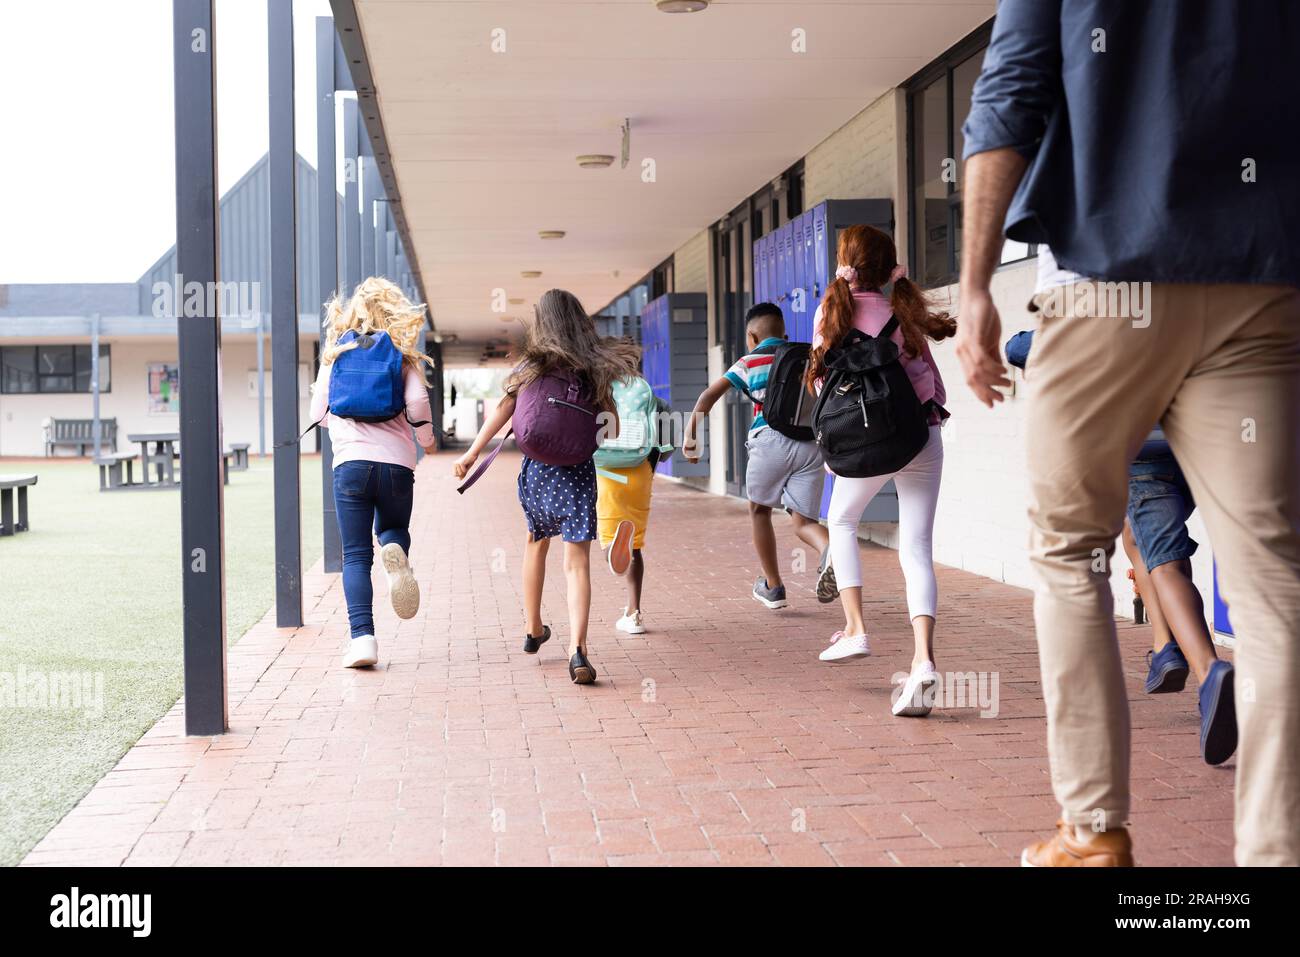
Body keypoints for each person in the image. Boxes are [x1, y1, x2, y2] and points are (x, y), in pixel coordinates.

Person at [956, 0, 1300, 866]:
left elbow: (1009, 95)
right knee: (1271, 581)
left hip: (1110, 277)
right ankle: (1276, 849)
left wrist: (972, 288)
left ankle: (1094, 831)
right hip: (1260, 275)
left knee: (1070, 546)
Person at [1007, 324, 1237, 766]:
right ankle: (1166, 645)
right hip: (1205, 445)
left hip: (1144, 456)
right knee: (1141, 540)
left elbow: (1018, 347)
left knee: (1165, 562)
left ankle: (1209, 671)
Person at [452, 289, 640, 684]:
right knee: (577, 563)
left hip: (538, 473)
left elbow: (504, 410)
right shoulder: (593, 371)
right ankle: (578, 651)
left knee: (535, 543)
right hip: (577, 474)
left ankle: (533, 629)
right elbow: (614, 429)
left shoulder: (530, 367)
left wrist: (471, 454)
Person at [807, 225, 955, 717]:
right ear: (891, 267)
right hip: (920, 436)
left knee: (843, 522)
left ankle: (855, 629)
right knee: (916, 547)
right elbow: (935, 387)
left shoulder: (832, 313)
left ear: (844, 266)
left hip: (865, 440)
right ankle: (923, 663)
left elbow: (820, 389)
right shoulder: (905, 313)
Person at [309, 277, 436, 670]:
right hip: (397, 464)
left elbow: (317, 414)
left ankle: (363, 640)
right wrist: (426, 438)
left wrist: (349, 426)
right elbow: (417, 401)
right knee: (394, 530)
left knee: (355, 555)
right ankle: (395, 553)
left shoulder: (338, 352)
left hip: (350, 466)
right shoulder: (401, 353)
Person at [683, 303, 836, 610]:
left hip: (769, 441)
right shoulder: (809, 356)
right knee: (804, 520)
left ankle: (774, 585)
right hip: (810, 444)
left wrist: (690, 436)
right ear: (785, 334)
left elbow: (708, 396)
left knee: (760, 511)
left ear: (752, 336)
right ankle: (830, 548)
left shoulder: (749, 360)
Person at [595, 384, 672, 636]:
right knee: (635, 546)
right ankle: (634, 614)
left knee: (609, 542)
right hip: (639, 472)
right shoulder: (650, 397)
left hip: (605, 471)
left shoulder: (596, 392)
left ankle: (613, 552)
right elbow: (666, 452)